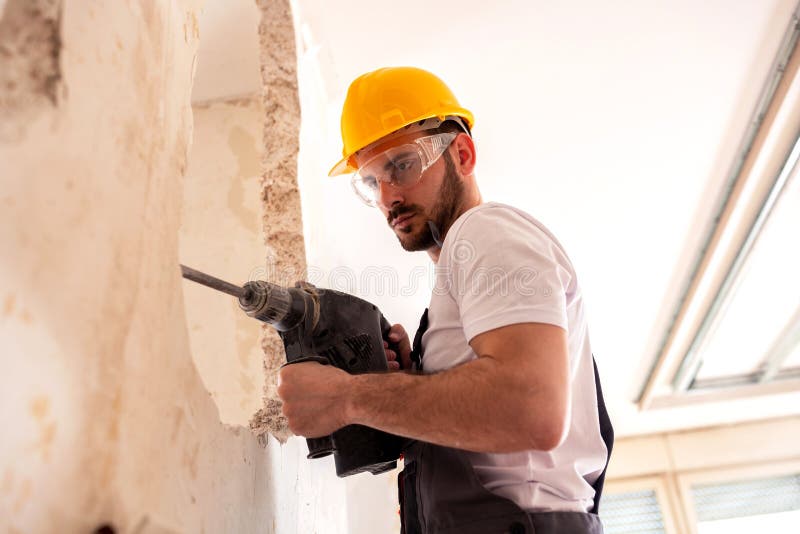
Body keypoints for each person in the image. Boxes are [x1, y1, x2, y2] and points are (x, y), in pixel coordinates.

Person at [277, 66, 613, 534]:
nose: (389, 195)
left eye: (402, 164)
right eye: (372, 182)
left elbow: (529, 408)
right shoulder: (461, 271)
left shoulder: (487, 231)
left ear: (463, 153)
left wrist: (349, 397)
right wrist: (421, 377)